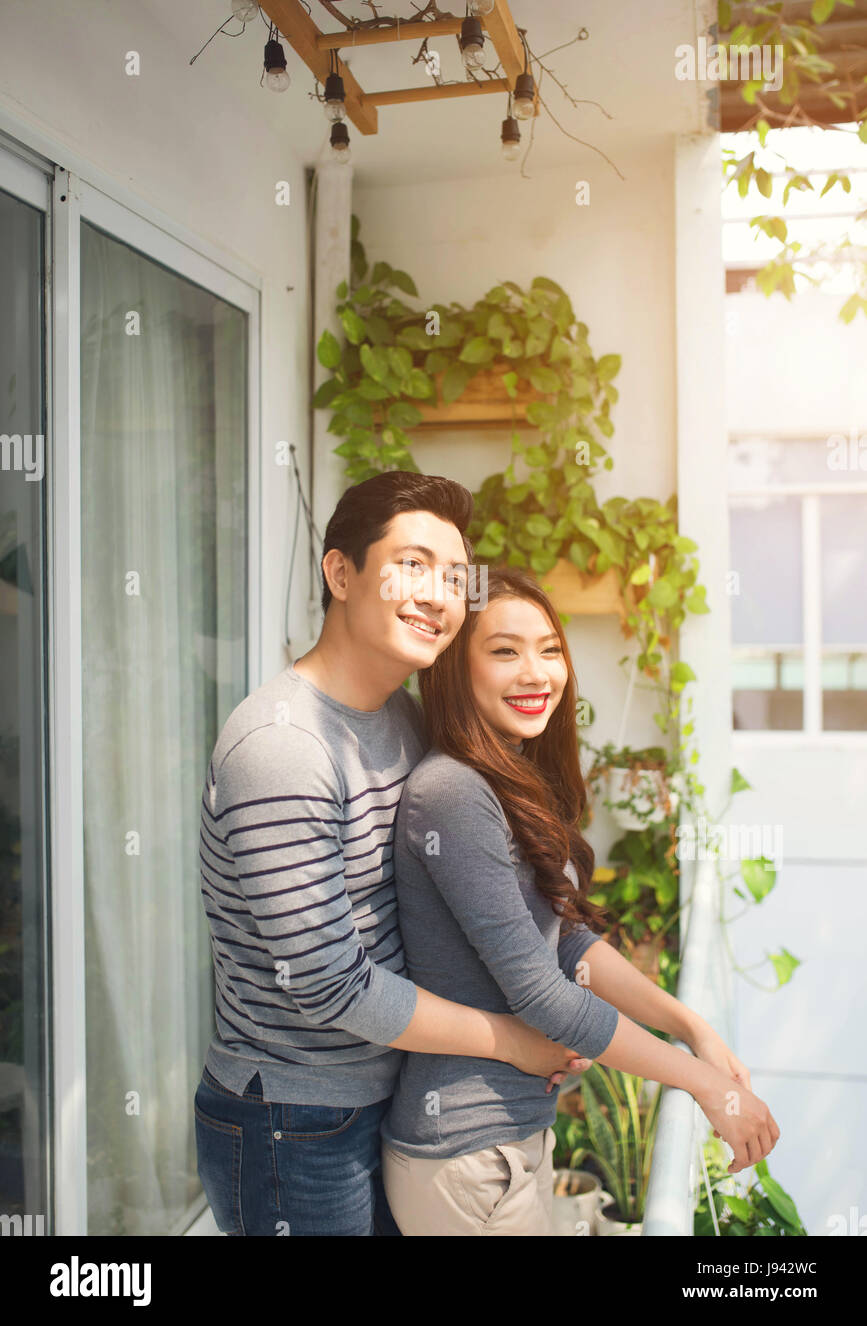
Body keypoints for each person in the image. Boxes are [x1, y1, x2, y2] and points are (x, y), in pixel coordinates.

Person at [193, 473, 594, 1237]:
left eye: (452, 576)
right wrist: (513, 1039)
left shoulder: (406, 721)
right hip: (293, 1119)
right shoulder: (283, 745)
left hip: (393, 1094)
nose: (437, 594)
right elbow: (329, 986)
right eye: (411, 565)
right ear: (340, 573)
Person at [380, 564, 780, 1236]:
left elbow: (566, 943)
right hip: (468, 1151)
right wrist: (703, 1084)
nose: (536, 673)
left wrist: (693, 1029)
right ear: (454, 669)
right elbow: (541, 992)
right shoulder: (450, 792)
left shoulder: (505, 779)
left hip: (509, 1142)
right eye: (504, 651)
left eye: (549, 649)